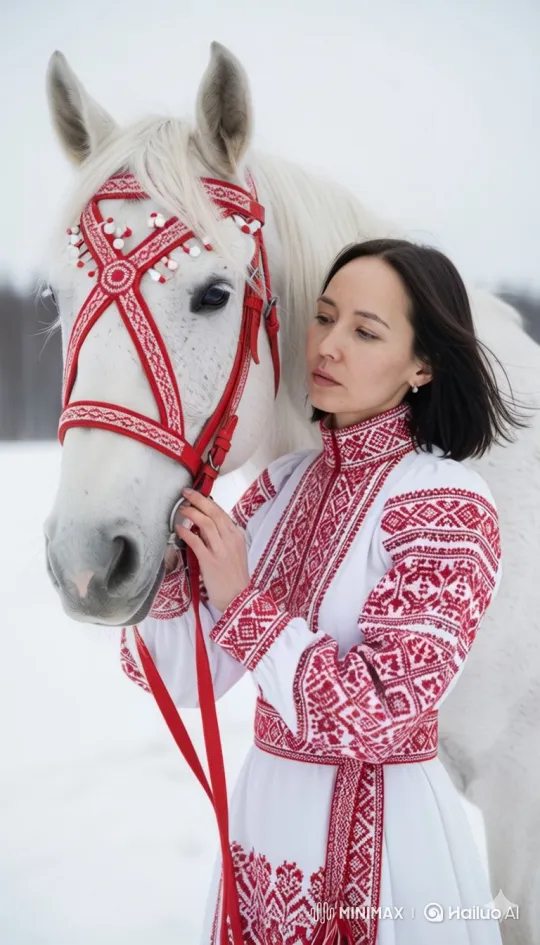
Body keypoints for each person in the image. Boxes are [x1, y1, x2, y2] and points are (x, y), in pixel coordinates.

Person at [121, 238, 524, 944]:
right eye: (325, 317)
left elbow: (378, 711)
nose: (329, 346)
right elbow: (184, 676)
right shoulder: (278, 488)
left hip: (391, 855)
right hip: (264, 831)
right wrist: (166, 576)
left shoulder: (447, 504)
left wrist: (243, 603)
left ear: (423, 364)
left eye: (366, 331)